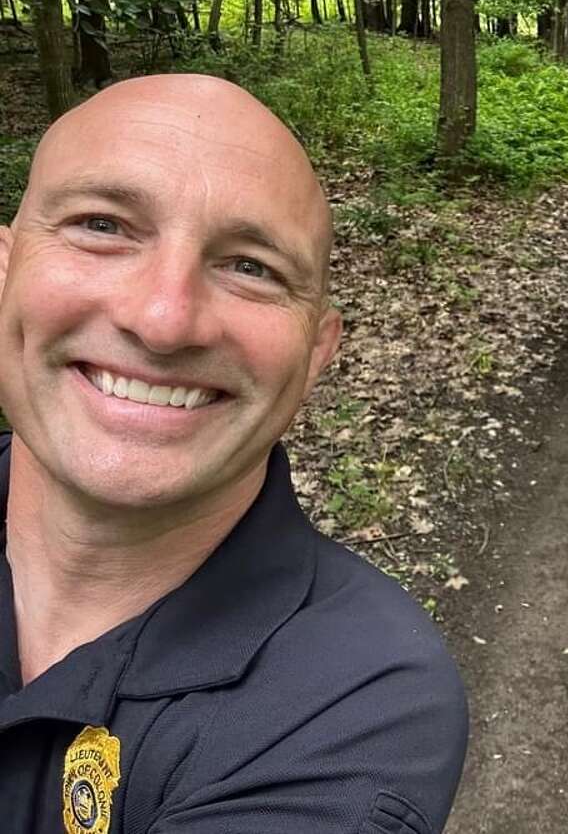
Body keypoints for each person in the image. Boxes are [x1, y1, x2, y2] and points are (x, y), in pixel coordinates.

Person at [0, 75, 468, 833]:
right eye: (102, 225)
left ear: (318, 352)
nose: (163, 318)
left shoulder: (359, 699)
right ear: (4, 272)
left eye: (252, 267)